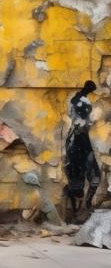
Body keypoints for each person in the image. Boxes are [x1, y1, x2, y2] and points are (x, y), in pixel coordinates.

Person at [64, 80, 101, 216]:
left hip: (75, 139)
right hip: (79, 139)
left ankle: (82, 206)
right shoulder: (83, 101)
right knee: (89, 176)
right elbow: (84, 121)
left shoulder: (74, 99)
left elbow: (72, 115)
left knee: (79, 176)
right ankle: (85, 205)